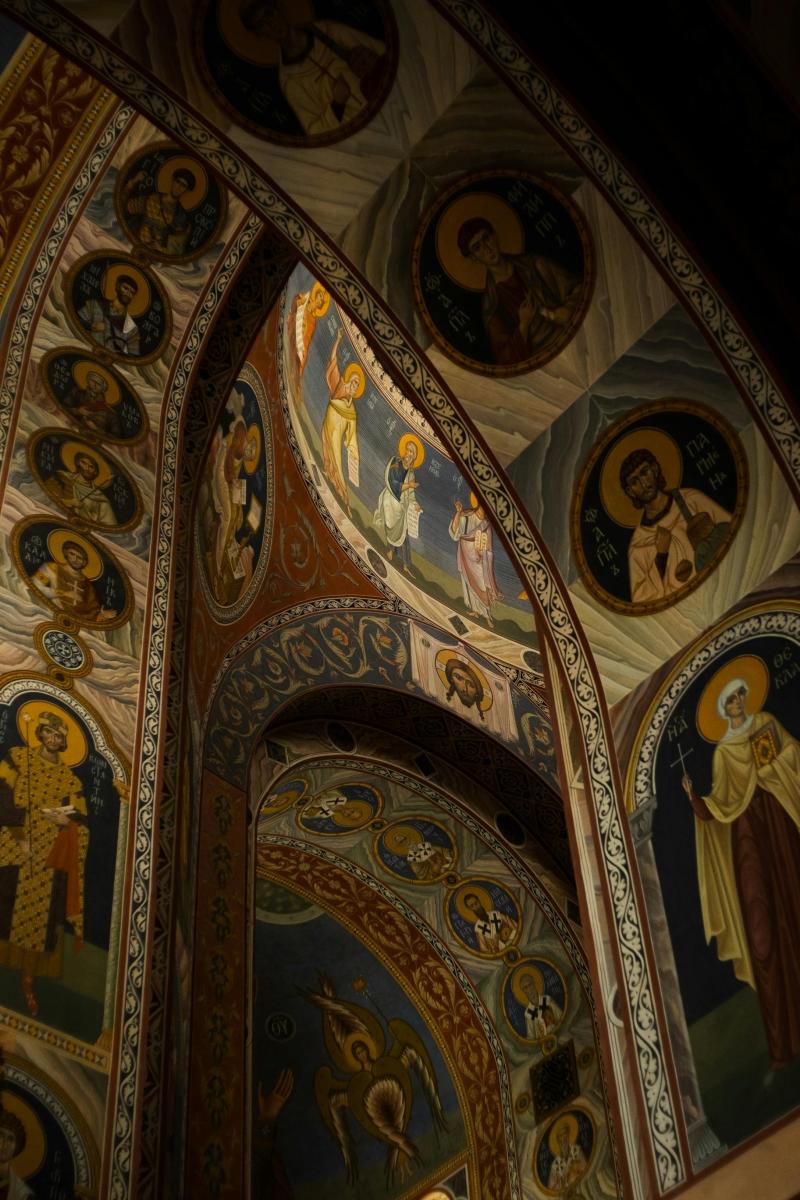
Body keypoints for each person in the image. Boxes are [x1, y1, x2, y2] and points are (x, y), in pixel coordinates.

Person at [681, 677, 800, 1068]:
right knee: (762, 934)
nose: (735, 702)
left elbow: (793, 756)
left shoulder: (766, 721)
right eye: (728, 700)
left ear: (746, 697)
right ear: (722, 710)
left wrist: (774, 766)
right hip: (749, 842)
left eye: (738, 695)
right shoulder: (722, 754)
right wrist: (695, 800)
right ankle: (786, 1042)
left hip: (782, 829)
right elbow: (721, 805)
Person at [0, 711, 89, 1018]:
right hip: (14, 843)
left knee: (38, 920)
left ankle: (28, 979)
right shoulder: (17, 758)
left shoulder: (69, 778)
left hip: (48, 854)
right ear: (40, 734)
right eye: (50, 733)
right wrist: (19, 832)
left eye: (60, 736)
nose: (55, 738)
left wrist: (69, 821)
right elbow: (3, 795)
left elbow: (80, 817)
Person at [239, 1, 386, 139]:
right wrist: (337, 104)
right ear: (259, 34)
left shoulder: (330, 31)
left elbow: (384, 53)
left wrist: (372, 65)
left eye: (269, 14)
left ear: (278, 10)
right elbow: (315, 132)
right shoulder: (290, 82)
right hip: (362, 137)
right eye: (262, 24)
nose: (271, 25)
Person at [457, 216, 581, 366]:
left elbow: (578, 288)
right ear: (473, 258)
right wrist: (524, 324)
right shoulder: (491, 305)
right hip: (544, 362)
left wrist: (568, 308)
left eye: (486, 238)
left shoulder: (534, 264)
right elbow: (505, 359)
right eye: (477, 247)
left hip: (572, 335)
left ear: (494, 235)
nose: (487, 248)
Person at [619, 448, 731, 604]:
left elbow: (733, 533)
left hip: (724, 585)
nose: (643, 484)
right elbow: (644, 603)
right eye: (634, 481)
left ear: (655, 469)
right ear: (630, 491)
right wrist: (661, 556)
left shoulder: (691, 500)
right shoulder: (638, 546)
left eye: (644, 473)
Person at [202, 413, 260, 605]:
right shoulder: (237, 440)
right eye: (249, 450)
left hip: (229, 481)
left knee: (236, 516)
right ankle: (219, 564)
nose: (249, 454)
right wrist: (234, 501)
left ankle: (228, 547)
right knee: (228, 517)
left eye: (250, 453)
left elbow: (236, 477)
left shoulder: (241, 450)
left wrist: (240, 507)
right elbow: (227, 472)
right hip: (221, 478)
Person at [321, 328, 362, 513]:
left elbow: (351, 434)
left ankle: (344, 496)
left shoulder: (352, 409)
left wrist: (353, 450)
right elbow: (333, 363)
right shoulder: (340, 385)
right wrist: (337, 340)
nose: (354, 386)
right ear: (349, 380)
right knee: (328, 454)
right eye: (353, 382)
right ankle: (327, 473)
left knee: (337, 459)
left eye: (357, 385)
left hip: (338, 433)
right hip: (329, 424)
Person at [33, 538, 116, 624]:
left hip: (77, 623)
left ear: (84, 563)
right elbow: (35, 587)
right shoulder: (51, 568)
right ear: (65, 554)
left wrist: (101, 614)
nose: (75, 559)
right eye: (72, 554)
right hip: (49, 614)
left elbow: (92, 610)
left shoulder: (87, 585)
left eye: (80, 558)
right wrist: (64, 593)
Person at [121, 164, 198, 257]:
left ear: (186, 190)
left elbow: (175, 250)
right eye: (178, 182)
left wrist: (160, 249)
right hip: (132, 243)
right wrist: (133, 182)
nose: (178, 187)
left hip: (154, 254)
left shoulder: (180, 215)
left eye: (183, 186)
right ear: (173, 181)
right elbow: (124, 206)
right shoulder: (152, 199)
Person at [448, 500, 502, 626]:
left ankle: (487, 615)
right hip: (465, 555)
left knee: (483, 585)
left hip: (479, 560)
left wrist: (483, 554)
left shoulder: (486, 525)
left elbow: (488, 547)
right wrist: (458, 513)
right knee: (468, 582)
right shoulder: (467, 515)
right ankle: (475, 610)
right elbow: (455, 532)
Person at [373, 440, 421, 575]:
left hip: (401, 507)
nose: (410, 454)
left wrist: (415, 504)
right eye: (409, 451)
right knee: (391, 527)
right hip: (390, 501)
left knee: (404, 534)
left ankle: (406, 564)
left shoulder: (411, 474)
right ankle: (391, 551)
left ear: (415, 457)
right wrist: (409, 486)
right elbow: (394, 484)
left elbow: (410, 495)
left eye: (413, 453)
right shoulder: (396, 464)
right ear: (405, 451)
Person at [77, 274, 142, 357]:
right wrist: (91, 326)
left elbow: (133, 356)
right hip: (85, 351)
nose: (128, 293)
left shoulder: (132, 328)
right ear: (118, 287)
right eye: (125, 288)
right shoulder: (95, 305)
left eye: (132, 292)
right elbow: (76, 321)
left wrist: (119, 354)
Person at [50, 450, 117, 527]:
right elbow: (46, 495)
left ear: (95, 472)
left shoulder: (100, 499)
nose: (87, 468)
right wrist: (68, 502)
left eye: (91, 467)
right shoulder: (63, 477)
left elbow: (109, 526)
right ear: (77, 463)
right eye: (84, 463)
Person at [62, 369, 123, 439]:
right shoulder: (77, 393)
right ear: (88, 381)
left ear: (103, 389)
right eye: (92, 381)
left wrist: (96, 429)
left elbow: (115, 437)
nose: (95, 385)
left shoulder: (110, 413)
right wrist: (77, 411)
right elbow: (61, 407)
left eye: (99, 384)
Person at [518, 972, 562, 1040]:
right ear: (524, 991)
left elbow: (560, 1017)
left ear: (534, 984)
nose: (529, 989)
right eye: (525, 987)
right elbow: (531, 1037)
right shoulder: (528, 1013)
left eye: (530, 984)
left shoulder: (547, 1000)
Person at [0, 1108, 33, 1199]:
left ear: (16, 1147)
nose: (5, 1143)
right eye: (1, 1135)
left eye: (11, 1139)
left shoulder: (21, 1194)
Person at [546, 1119, 587, 1191]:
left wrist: (574, 1172)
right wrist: (560, 1182)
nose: (563, 1143)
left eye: (565, 1139)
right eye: (561, 1140)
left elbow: (585, 1169)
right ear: (558, 1142)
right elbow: (551, 1188)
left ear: (568, 1137)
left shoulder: (577, 1151)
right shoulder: (555, 1164)